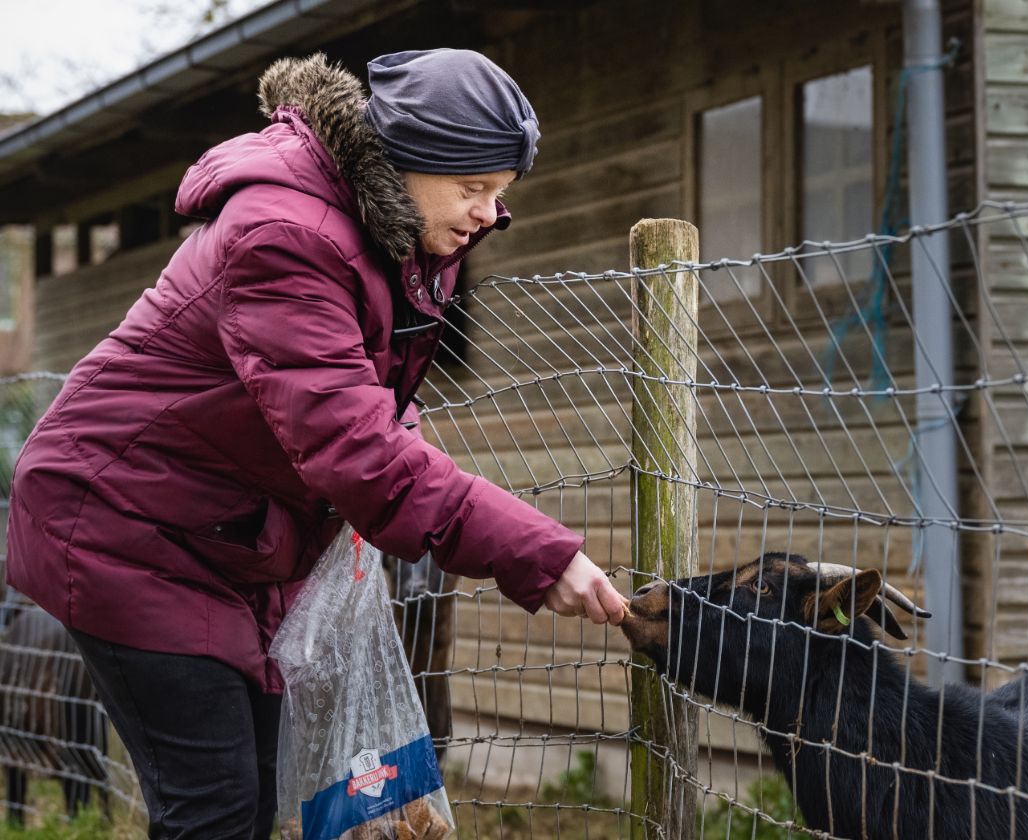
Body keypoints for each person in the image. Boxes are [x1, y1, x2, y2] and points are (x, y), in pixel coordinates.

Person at [5, 49, 627, 839]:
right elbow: (359, 452)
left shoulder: (390, 233)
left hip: (227, 534)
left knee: (255, 796)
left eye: (501, 194)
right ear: (409, 159)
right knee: (216, 808)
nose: (489, 215)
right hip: (120, 527)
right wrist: (539, 553)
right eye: (473, 189)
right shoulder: (285, 238)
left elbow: (366, 406)